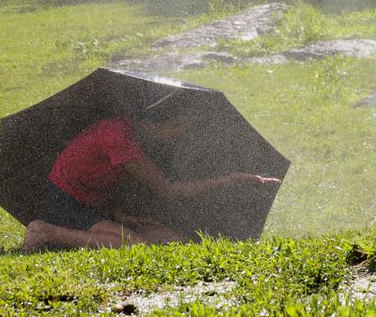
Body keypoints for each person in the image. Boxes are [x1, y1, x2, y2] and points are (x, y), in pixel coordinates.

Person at [21, 99, 280, 254]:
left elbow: (105, 177)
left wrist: (119, 214)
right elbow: (167, 189)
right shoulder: (120, 138)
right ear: (149, 125)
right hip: (65, 204)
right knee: (134, 245)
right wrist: (229, 180)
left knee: (176, 240)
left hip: (97, 205)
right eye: (175, 126)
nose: (180, 132)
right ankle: (46, 231)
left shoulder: (136, 133)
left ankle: (109, 227)